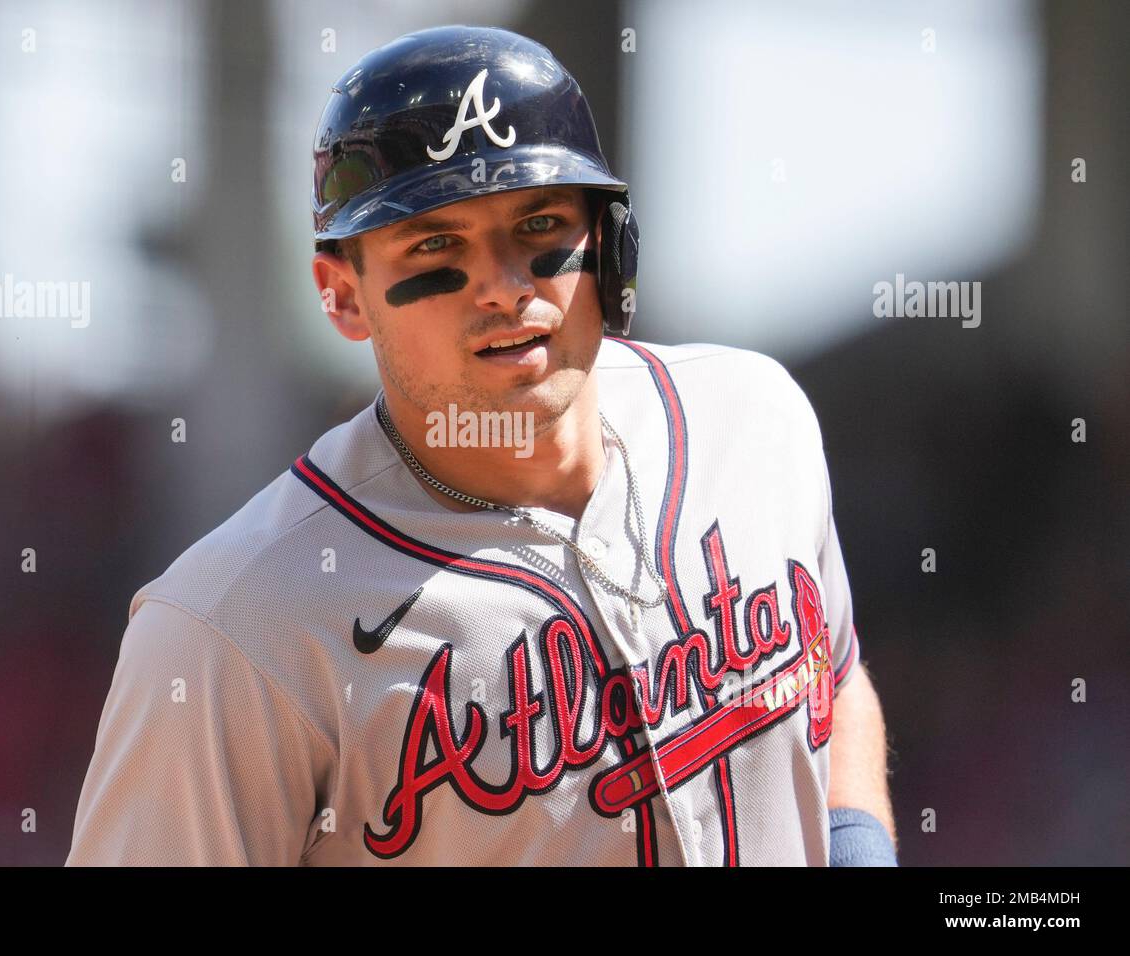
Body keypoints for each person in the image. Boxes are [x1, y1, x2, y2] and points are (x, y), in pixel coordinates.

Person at [66, 24, 896, 866]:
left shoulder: (755, 421)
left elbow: (831, 675)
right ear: (343, 294)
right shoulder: (231, 627)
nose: (503, 287)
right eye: (436, 244)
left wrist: (860, 851)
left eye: (538, 223)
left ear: (607, 244)